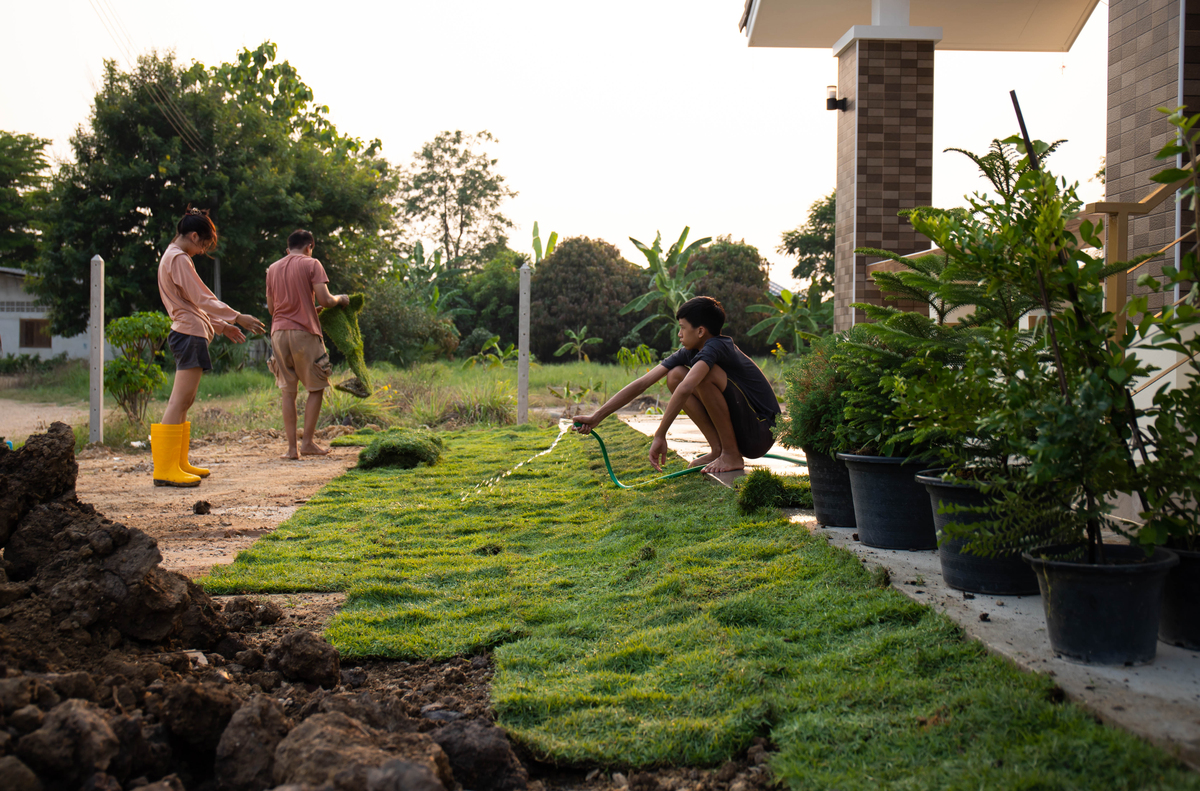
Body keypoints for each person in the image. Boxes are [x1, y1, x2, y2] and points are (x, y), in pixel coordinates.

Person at [574, 296, 780, 473]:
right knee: (675, 375)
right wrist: (596, 417)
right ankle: (718, 450)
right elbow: (643, 383)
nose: (679, 334)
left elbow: (687, 388)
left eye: (682, 328)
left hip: (761, 430)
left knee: (701, 376)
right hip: (746, 428)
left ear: (700, 331)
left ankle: (731, 455)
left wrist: (660, 434)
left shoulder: (717, 346)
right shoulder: (690, 352)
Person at [155, 207, 266, 487]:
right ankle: (165, 469)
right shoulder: (179, 258)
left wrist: (221, 326)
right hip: (188, 334)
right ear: (193, 235)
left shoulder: (171, 256)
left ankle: (178, 463)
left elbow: (190, 303)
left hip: (190, 332)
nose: (203, 251)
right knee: (179, 400)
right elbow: (201, 297)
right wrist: (236, 316)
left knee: (185, 401)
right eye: (203, 244)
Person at [265, 229, 349, 460]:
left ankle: (292, 449)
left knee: (287, 392)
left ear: (288, 248)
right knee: (316, 386)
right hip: (304, 332)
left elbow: (273, 309)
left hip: (279, 333)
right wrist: (341, 299)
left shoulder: (272, 269)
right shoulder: (312, 264)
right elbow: (325, 299)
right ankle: (308, 443)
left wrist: (308, 308)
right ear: (309, 246)